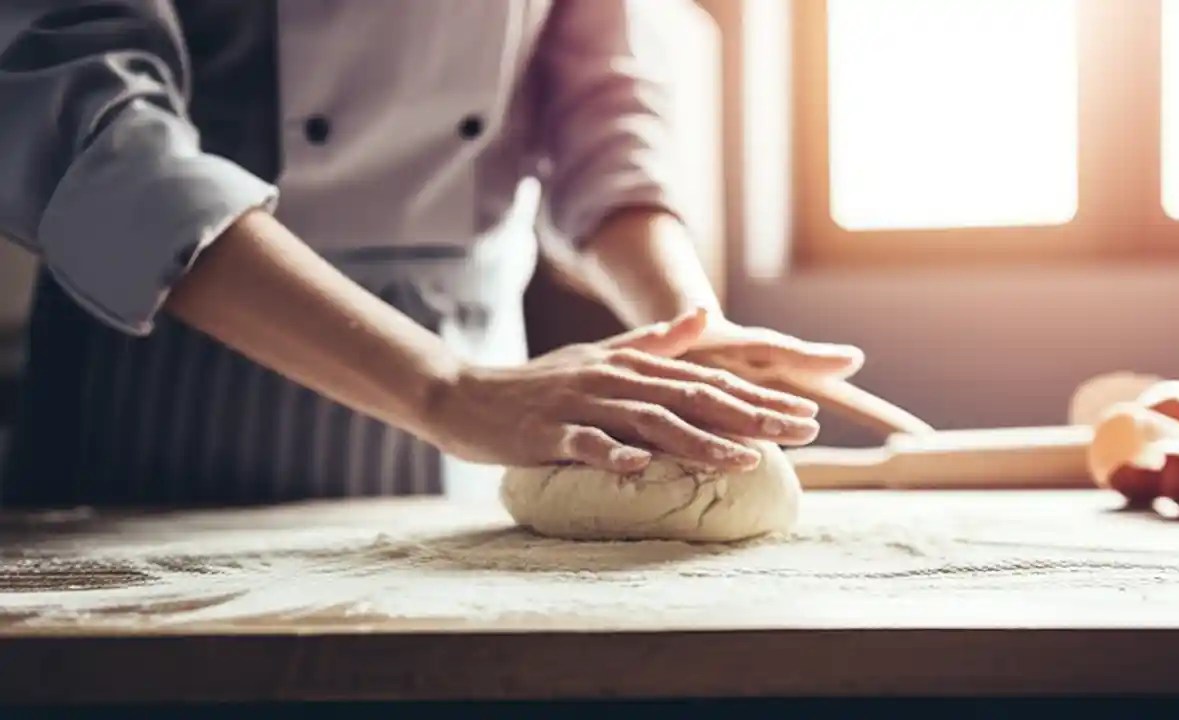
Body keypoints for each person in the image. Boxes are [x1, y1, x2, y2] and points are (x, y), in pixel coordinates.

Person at [0, 1, 862, 506]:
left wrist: (683, 323)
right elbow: (90, 131)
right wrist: (442, 387)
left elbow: (601, 106)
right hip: (177, 384)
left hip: (495, 403)